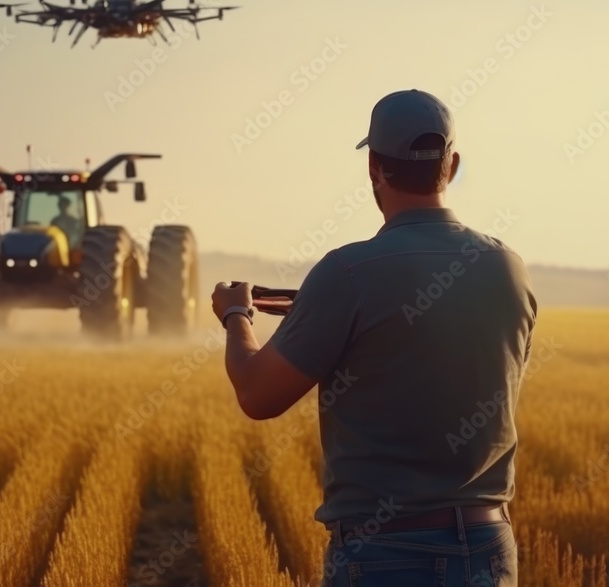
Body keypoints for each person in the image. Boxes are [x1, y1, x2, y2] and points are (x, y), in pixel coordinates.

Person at [211, 89, 537, 586]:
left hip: (385, 553)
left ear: (374, 169)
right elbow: (442, 343)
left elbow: (258, 394)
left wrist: (236, 313)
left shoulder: (347, 272)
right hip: (487, 548)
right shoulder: (507, 268)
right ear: (451, 165)